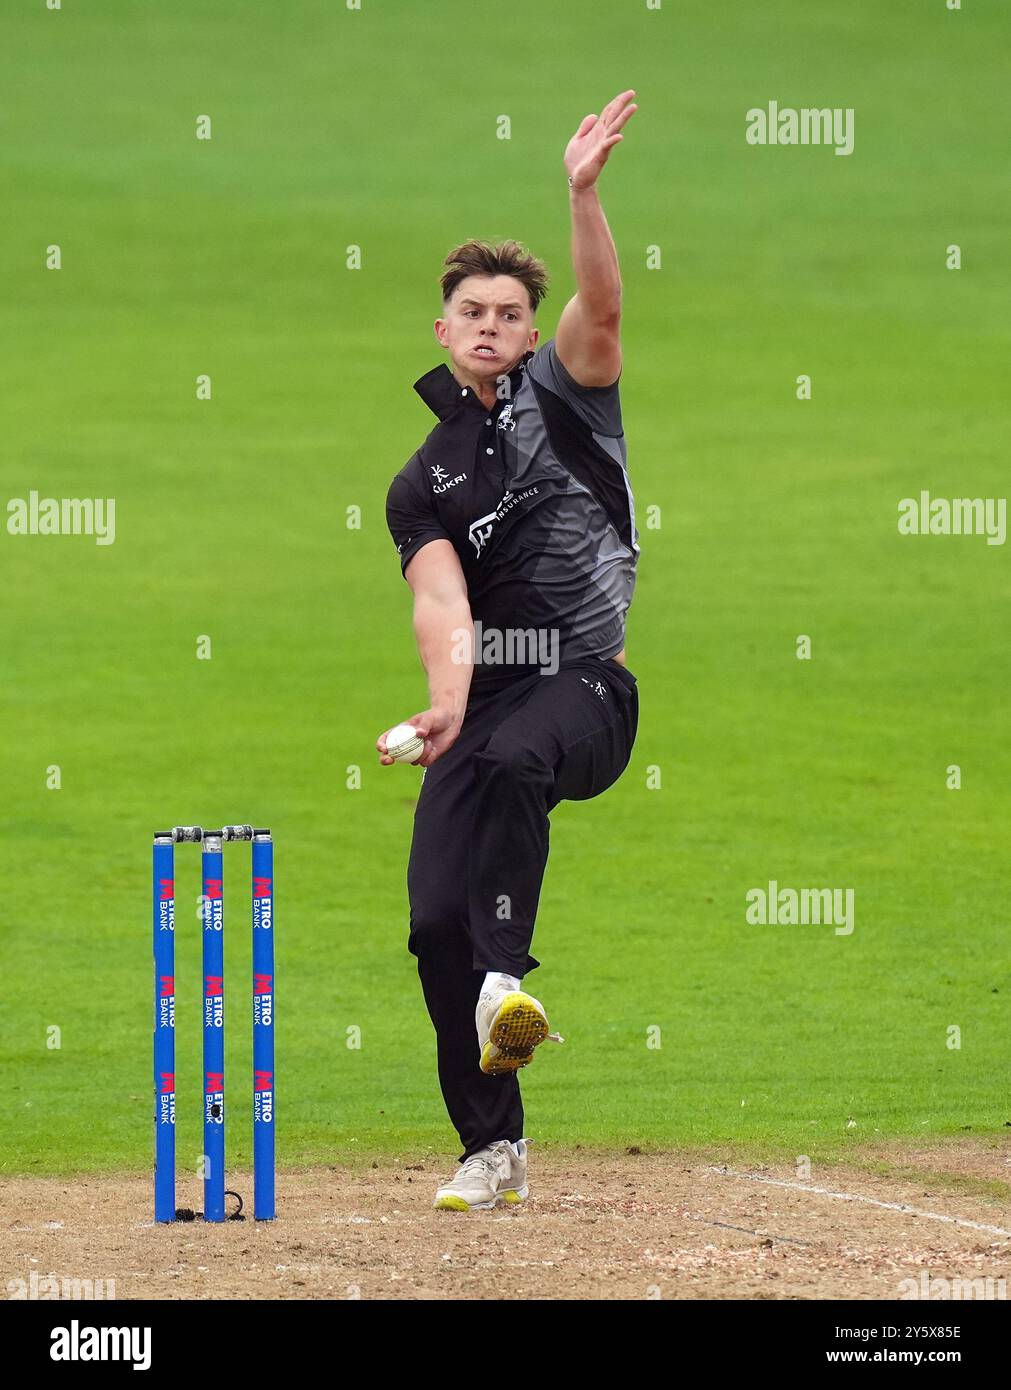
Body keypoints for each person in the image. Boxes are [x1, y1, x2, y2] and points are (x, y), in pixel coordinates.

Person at [379, 90, 640, 1212]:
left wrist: (583, 196)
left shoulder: (568, 395)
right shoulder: (421, 478)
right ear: (443, 330)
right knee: (433, 918)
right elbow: (441, 603)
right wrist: (443, 703)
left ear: (532, 332)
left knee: (511, 761)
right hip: (481, 707)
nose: (489, 325)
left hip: (585, 688)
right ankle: (494, 1146)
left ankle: (504, 981)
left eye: (507, 312)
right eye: (470, 311)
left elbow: (608, 303)